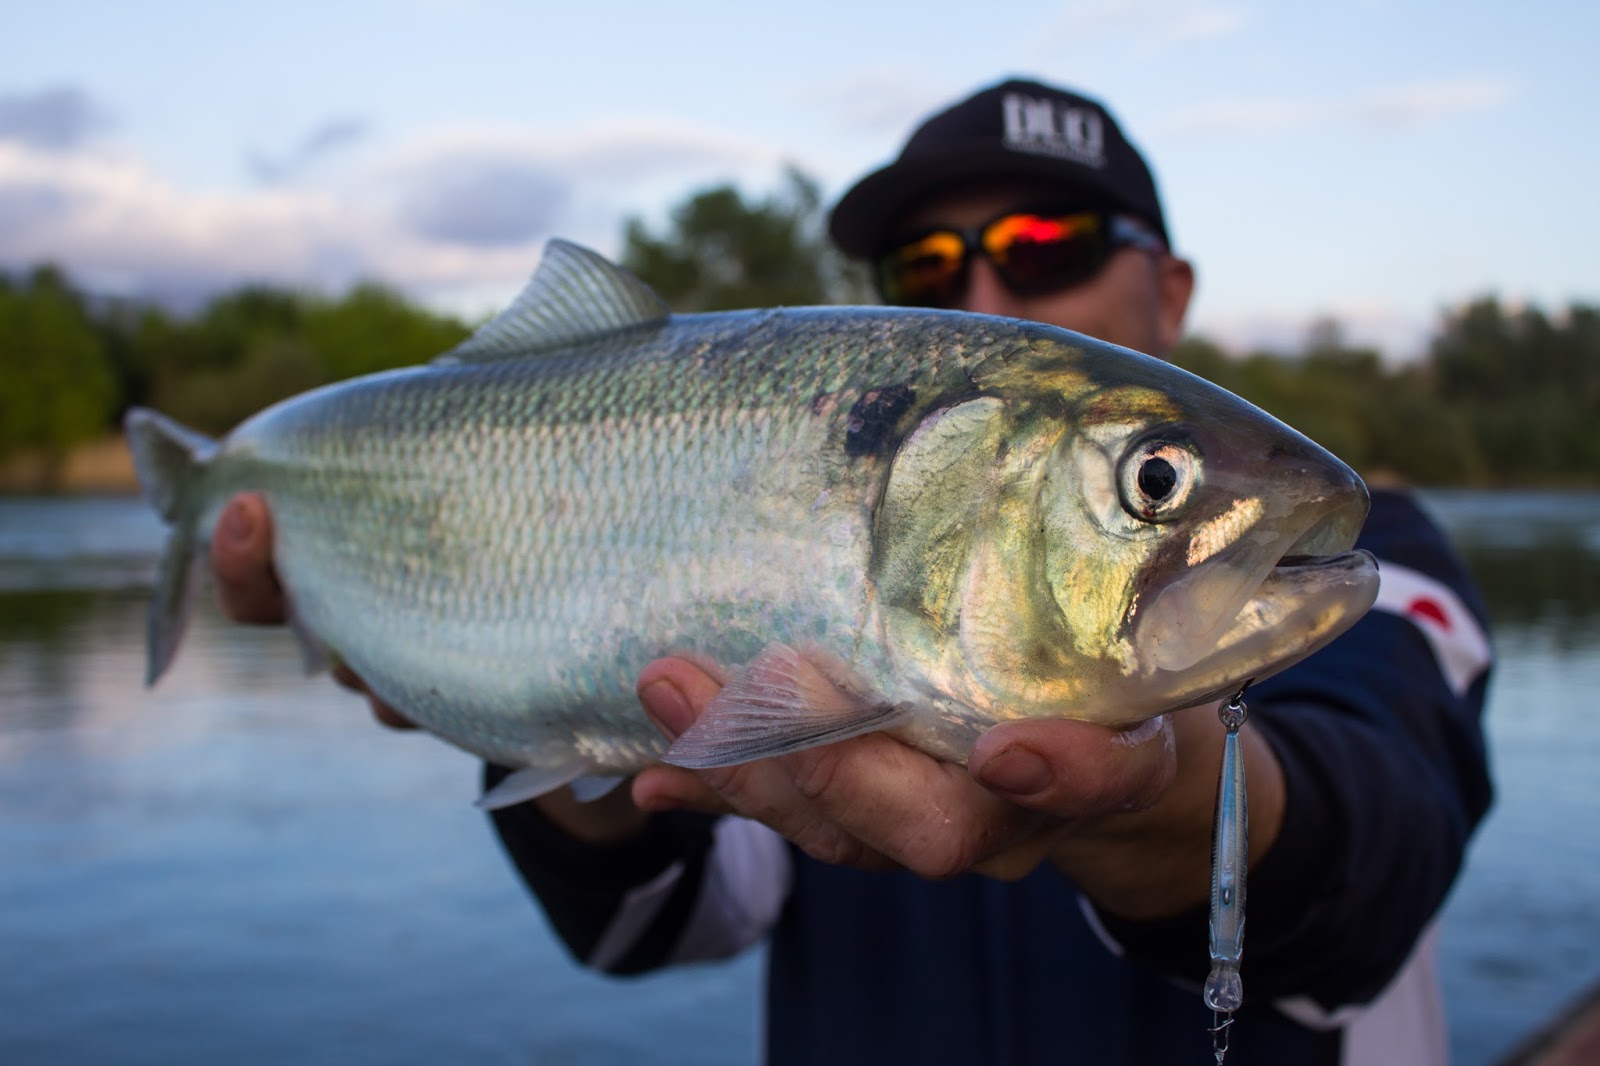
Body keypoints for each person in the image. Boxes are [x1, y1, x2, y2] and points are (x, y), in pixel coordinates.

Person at [211, 78, 1494, 1066]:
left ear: (1169, 286)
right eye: (928, 271)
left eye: (1047, 242)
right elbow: (657, 923)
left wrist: (1161, 806)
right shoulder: (809, 535)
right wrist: (514, 693)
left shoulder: (1384, 559)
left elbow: (1380, 844)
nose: (991, 286)